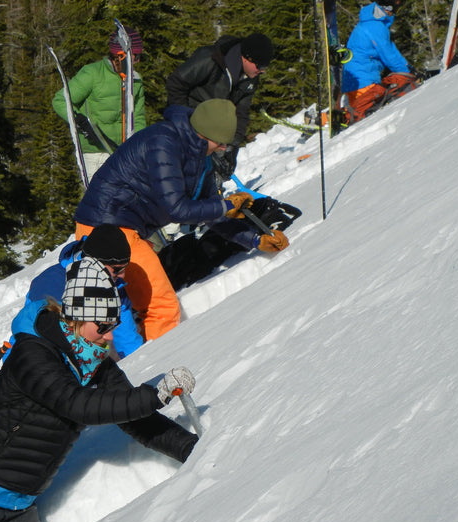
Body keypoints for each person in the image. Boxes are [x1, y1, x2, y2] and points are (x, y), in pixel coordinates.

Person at [0, 257, 198, 522]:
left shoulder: (93, 359)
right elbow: (77, 404)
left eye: (113, 325)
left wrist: (194, 449)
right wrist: (154, 395)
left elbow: (135, 417)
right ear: (77, 317)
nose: (110, 336)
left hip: (18, 503)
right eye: (103, 326)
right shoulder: (33, 353)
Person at [74, 98, 289, 341]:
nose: (223, 149)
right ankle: (160, 368)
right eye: (221, 142)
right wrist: (226, 206)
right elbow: (177, 208)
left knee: (127, 310)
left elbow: (209, 212)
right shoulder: (164, 143)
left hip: (126, 230)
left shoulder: (201, 156)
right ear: (206, 133)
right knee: (161, 306)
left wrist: (255, 239)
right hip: (107, 230)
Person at [22, 224, 143, 359]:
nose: (123, 276)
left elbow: (128, 340)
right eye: (117, 269)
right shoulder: (52, 287)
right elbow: (37, 344)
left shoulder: (111, 280)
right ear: (96, 263)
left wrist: (139, 364)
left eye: (124, 268)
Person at [166, 32, 274, 183]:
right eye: (260, 66)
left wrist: (231, 145)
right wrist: (186, 125)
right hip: (191, 124)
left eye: (265, 67)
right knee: (182, 176)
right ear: (246, 57)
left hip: (214, 133)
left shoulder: (250, 79)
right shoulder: (211, 59)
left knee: (211, 177)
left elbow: (241, 112)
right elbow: (175, 84)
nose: (262, 71)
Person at [52, 25, 147, 175]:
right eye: (136, 56)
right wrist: (81, 122)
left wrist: (138, 147)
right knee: (100, 198)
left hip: (123, 153)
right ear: (121, 55)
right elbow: (60, 101)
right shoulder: (93, 73)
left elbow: (139, 117)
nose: (138, 61)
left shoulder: (135, 80)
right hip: (95, 153)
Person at [342, 1, 418, 123]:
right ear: (388, 8)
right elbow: (388, 55)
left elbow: (390, 51)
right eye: (394, 9)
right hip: (365, 80)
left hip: (354, 79)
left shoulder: (368, 23)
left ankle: (333, 119)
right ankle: (331, 119)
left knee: (356, 110)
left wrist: (406, 67)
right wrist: (407, 71)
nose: (393, 13)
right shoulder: (376, 26)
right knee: (363, 113)